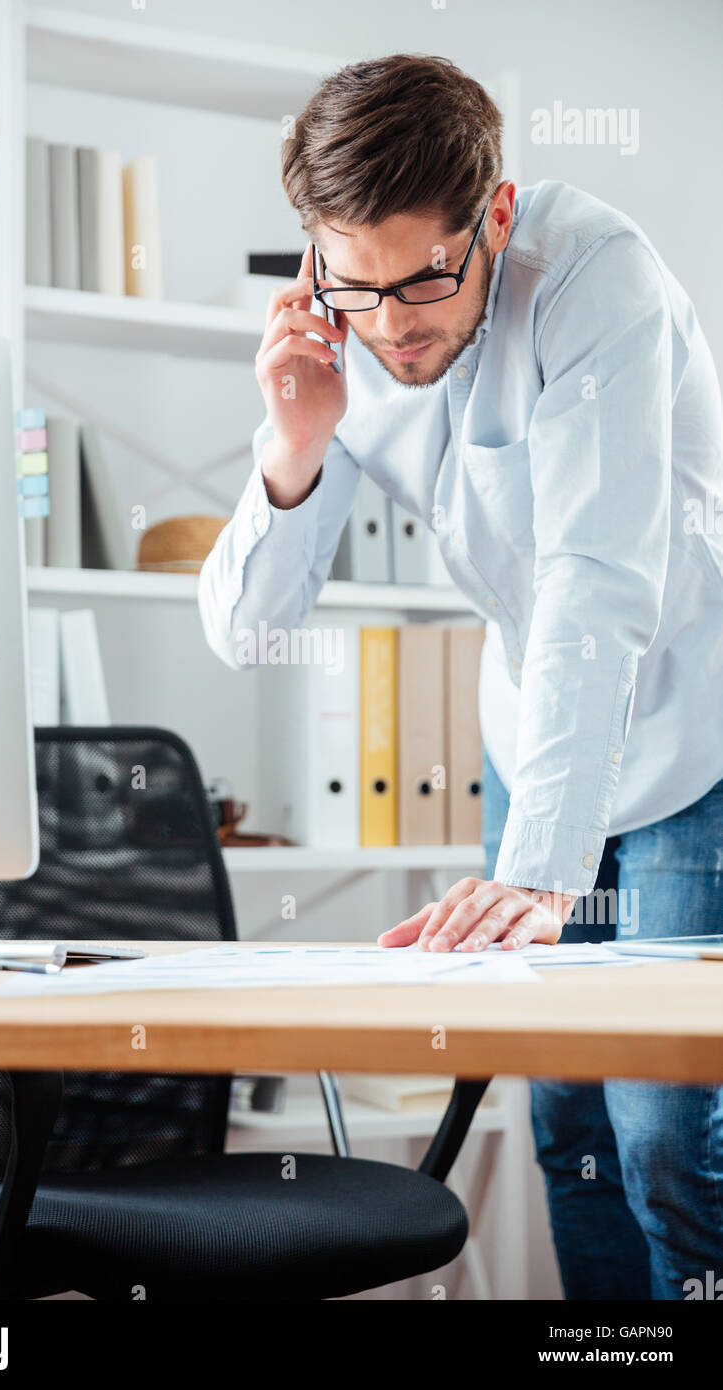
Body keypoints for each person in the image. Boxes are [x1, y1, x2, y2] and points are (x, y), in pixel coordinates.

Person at [198, 53, 723, 1300]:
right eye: (355, 285)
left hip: (682, 732)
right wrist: (294, 441)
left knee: (662, 1137)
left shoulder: (599, 277)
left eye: (423, 280)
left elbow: (596, 584)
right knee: (566, 1129)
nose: (390, 325)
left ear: (491, 213)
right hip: (528, 725)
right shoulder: (343, 316)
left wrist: (541, 871)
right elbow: (244, 627)